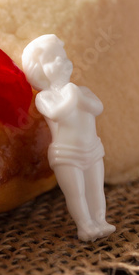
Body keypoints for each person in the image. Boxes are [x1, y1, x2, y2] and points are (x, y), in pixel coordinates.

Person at [22, 34, 115, 241]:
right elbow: (57, 114)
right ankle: (85, 226)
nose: (62, 63)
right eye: (53, 60)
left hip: (92, 148)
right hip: (66, 155)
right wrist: (72, 95)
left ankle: (100, 220)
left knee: (95, 188)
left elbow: (97, 107)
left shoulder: (82, 90)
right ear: (39, 71)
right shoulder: (45, 98)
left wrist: (77, 95)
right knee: (77, 193)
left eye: (63, 58)